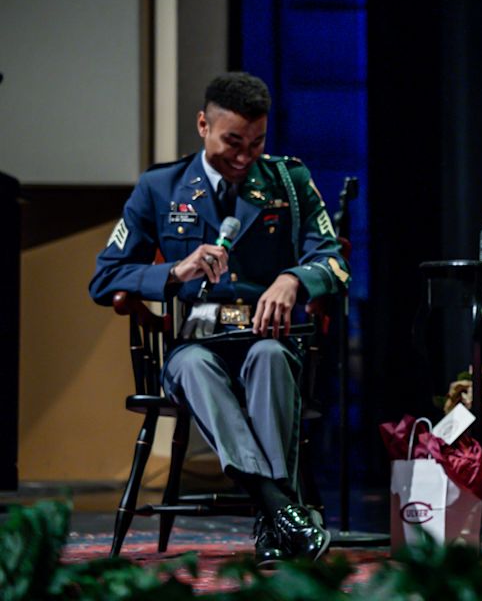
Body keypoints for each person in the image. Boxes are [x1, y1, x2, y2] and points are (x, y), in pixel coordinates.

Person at [90, 73, 348, 567]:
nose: (245, 156)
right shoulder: (161, 187)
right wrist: (174, 272)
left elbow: (332, 259)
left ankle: (273, 520)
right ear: (203, 125)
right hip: (197, 339)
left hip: (265, 335)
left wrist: (293, 278)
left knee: (271, 358)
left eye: (257, 142)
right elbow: (105, 278)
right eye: (233, 141)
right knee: (192, 367)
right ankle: (280, 509)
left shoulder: (288, 182)